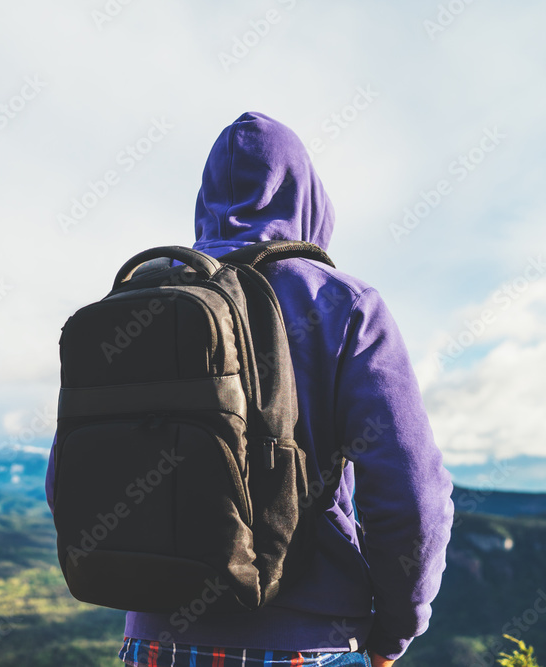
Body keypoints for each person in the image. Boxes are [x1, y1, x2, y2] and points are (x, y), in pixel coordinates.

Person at [45, 111, 454, 666]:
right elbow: (412, 496)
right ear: (308, 198)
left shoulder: (143, 302)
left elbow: (66, 479)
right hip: (308, 643)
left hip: (151, 643)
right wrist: (395, 632)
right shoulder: (342, 304)